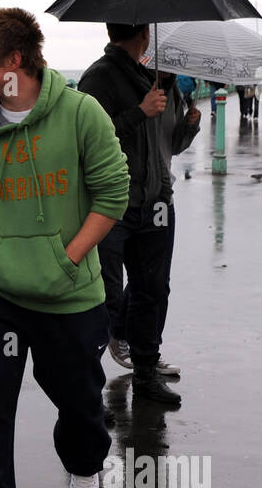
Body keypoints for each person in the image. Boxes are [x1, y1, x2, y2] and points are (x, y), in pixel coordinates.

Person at [0, 7, 129, 488]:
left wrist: (71, 259)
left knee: (78, 403)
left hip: (69, 295)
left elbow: (112, 194)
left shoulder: (80, 113)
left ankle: (84, 462)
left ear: (14, 61)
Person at [78, 24, 201, 406]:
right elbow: (85, 139)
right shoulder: (99, 77)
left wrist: (189, 127)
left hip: (158, 201)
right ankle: (88, 392)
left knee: (153, 290)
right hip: (112, 205)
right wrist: (139, 112)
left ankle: (147, 376)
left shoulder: (162, 83)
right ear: (145, 36)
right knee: (106, 297)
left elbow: (169, 145)